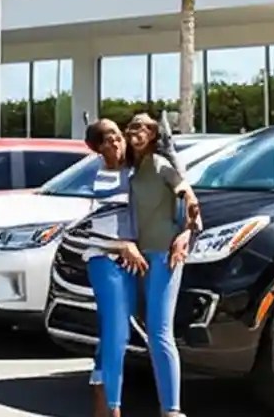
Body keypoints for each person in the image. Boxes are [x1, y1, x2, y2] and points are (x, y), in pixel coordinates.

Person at [78, 115, 200, 417]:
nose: (123, 136)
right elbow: (101, 223)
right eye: (108, 138)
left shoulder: (149, 166)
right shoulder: (117, 173)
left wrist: (186, 234)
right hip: (121, 260)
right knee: (117, 332)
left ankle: (170, 410)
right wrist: (122, 245)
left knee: (151, 331)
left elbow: (188, 197)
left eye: (117, 133)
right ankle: (109, 405)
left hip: (153, 257)